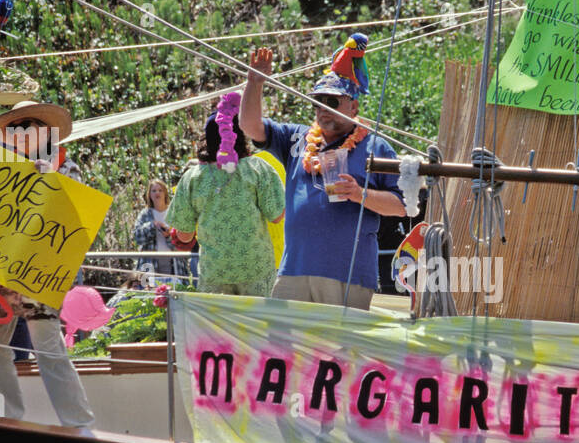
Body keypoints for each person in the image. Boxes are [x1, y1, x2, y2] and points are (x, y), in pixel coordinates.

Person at [239, 43, 406, 310]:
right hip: (294, 269)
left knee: (340, 350)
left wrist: (359, 194)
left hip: (347, 274)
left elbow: (401, 206)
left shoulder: (376, 147)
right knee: (286, 345)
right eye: (317, 101)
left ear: (354, 107)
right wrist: (255, 83)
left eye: (331, 101)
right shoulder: (297, 137)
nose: (322, 108)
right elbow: (250, 126)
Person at [0, 101, 94, 429]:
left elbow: (76, 220)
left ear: (45, 130)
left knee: (48, 348)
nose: (22, 132)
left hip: (40, 272)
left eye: (30, 125)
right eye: (16, 127)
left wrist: (50, 183)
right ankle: (2, 411)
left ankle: (77, 422)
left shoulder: (66, 166)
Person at [167, 91, 285, 295]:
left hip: (215, 272)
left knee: (218, 327)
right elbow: (276, 216)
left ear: (206, 139)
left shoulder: (192, 177)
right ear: (240, 136)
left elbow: (185, 237)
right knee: (258, 326)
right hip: (256, 268)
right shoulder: (257, 168)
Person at [133, 179, 179, 285]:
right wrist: (152, 226)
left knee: (171, 291)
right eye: (153, 191)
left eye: (160, 190)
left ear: (165, 193)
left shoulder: (173, 213)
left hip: (172, 261)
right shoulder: (145, 214)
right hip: (150, 260)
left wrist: (169, 235)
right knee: (149, 291)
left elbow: (182, 240)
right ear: (149, 195)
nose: (157, 193)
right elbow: (137, 237)